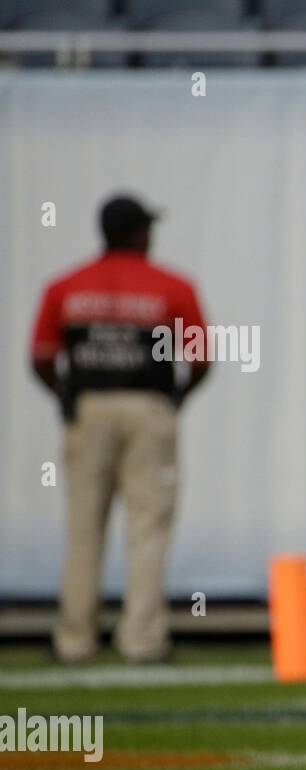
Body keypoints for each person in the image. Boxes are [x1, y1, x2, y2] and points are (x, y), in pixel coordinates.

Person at [30, 194, 208, 663]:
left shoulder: (65, 287)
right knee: (147, 527)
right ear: (139, 234)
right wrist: (175, 401)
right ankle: (142, 639)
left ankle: (74, 639)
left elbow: (42, 357)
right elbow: (201, 357)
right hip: (147, 409)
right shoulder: (172, 286)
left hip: (88, 409)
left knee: (83, 527)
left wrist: (67, 396)